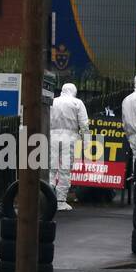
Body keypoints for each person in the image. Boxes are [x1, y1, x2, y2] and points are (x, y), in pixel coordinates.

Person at [48, 83, 88, 211]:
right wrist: (86, 141)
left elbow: (46, 119)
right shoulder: (77, 103)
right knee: (65, 169)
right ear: (74, 91)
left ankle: (47, 196)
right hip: (70, 138)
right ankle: (60, 201)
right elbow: (84, 123)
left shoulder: (53, 102)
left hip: (52, 136)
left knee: (51, 167)